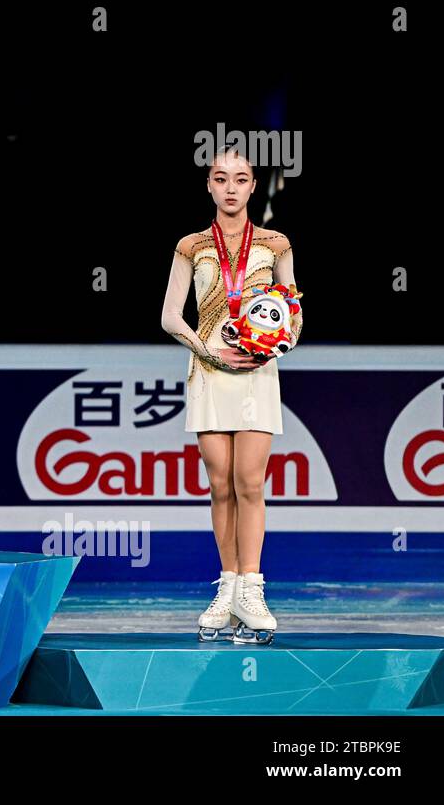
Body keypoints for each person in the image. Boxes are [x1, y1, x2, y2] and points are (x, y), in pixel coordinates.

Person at [161, 147, 302, 644]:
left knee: (250, 482)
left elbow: (294, 309)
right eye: (221, 178)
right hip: (209, 372)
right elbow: (171, 315)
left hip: (258, 374)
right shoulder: (191, 246)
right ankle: (227, 587)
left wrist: (276, 343)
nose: (230, 187)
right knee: (220, 485)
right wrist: (210, 352)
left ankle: (253, 587)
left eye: (240, 179)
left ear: (252, 186)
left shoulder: (275, 243)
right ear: (209, 185)